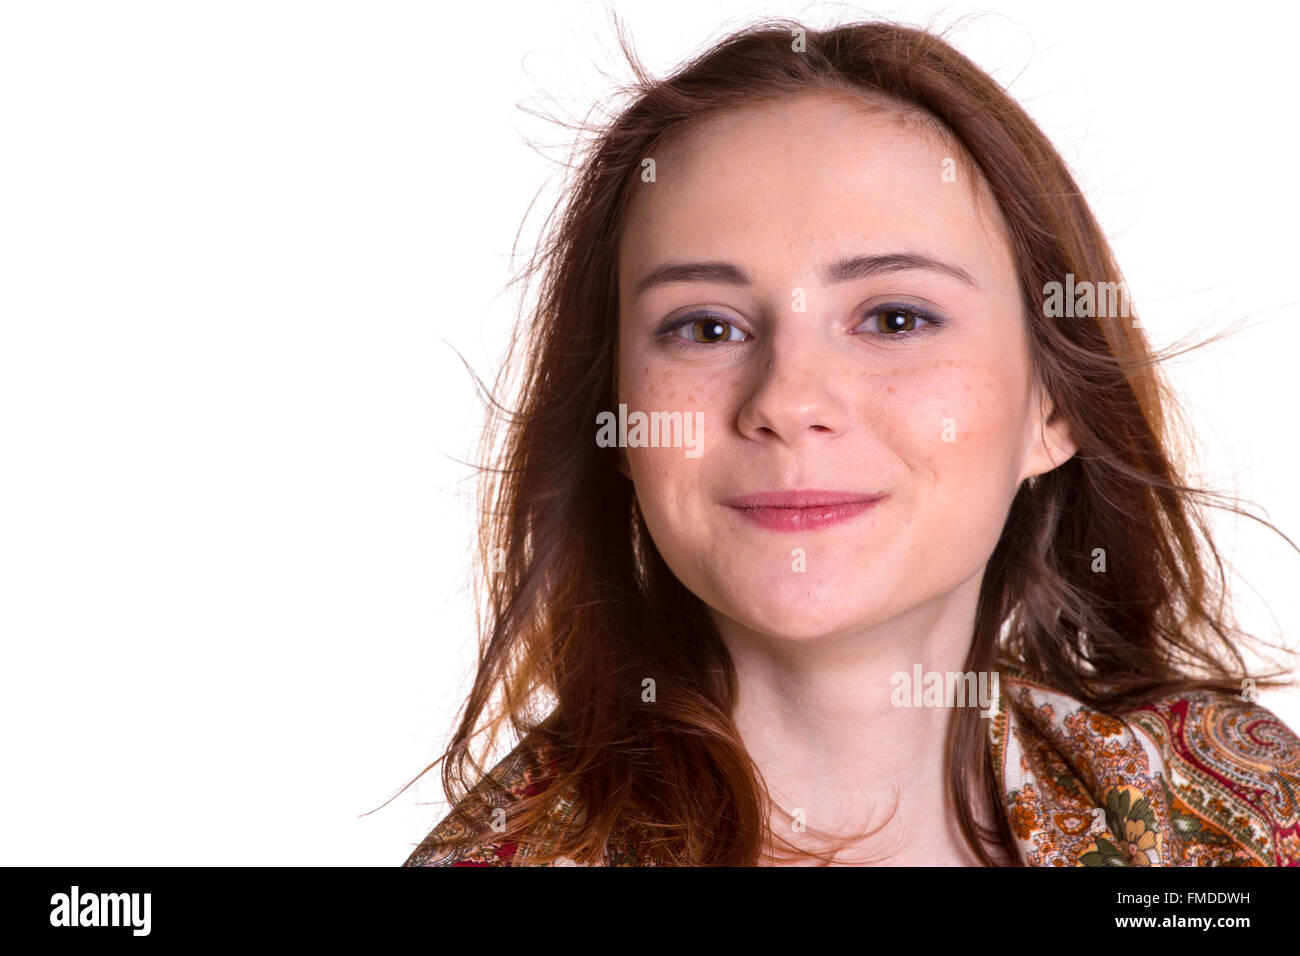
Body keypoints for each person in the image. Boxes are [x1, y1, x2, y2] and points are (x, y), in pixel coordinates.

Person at [398, 17, 1300, 866]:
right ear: (622, 423)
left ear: (1054, 409)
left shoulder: (1243, 830)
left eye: (895, 318)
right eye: (706, 329)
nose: (788, 401)